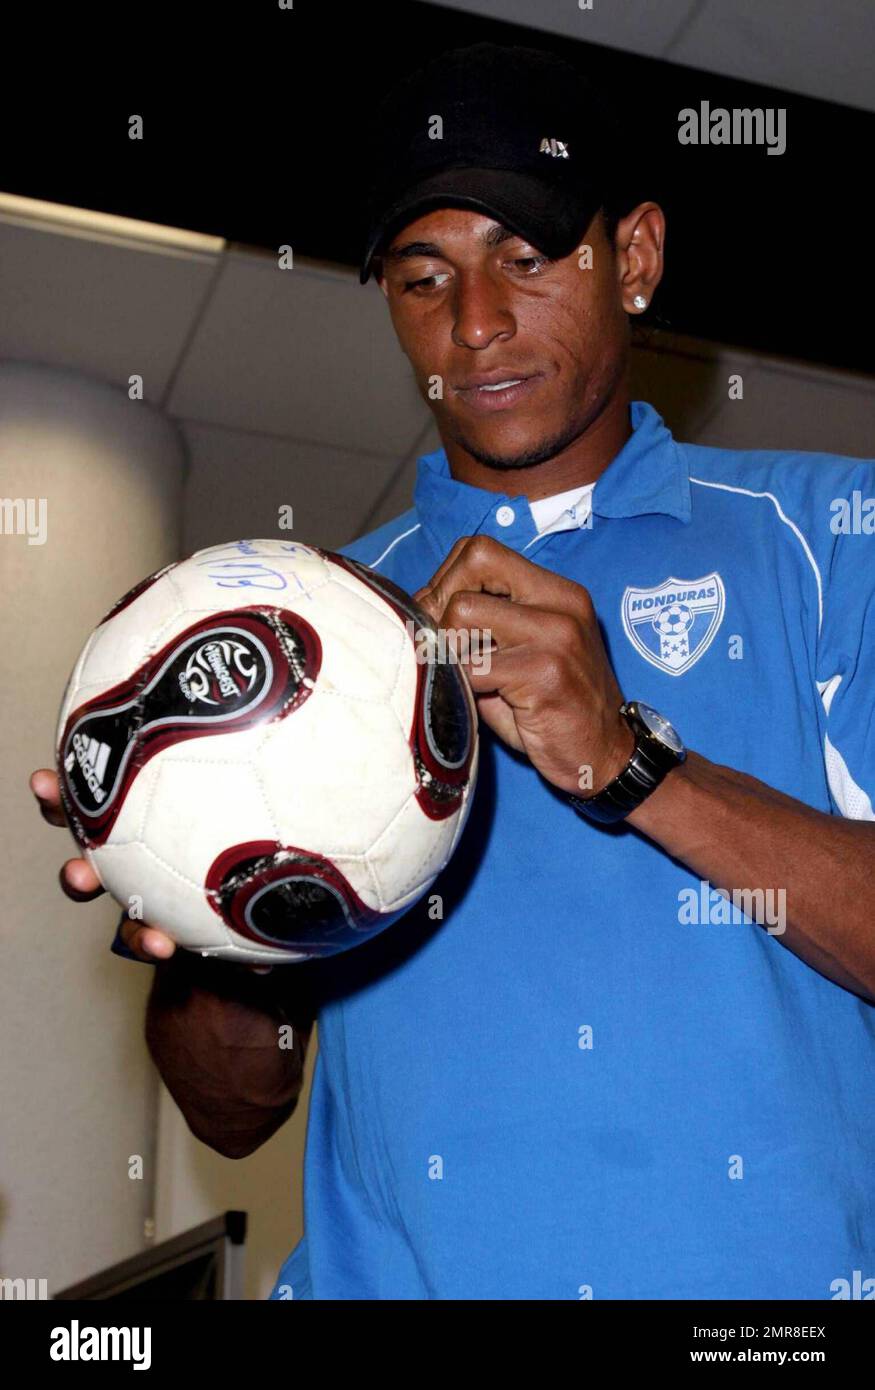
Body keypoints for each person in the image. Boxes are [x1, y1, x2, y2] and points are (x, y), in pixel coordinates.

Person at [32, 42, 875, 1300]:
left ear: (633, 258)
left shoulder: (824, 538)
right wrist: (205, 911)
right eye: (421, 278)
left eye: (525, 261)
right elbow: (230, 1112)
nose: (471, 325)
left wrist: (634, 765)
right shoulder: (305, 619)